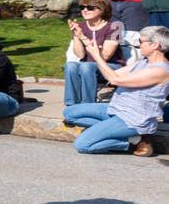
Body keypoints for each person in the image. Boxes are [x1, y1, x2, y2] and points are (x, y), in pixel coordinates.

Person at [62, 26, 169, 156]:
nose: (138, 45)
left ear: (155, 45)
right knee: (70, 113)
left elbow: (115, 80)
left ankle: (131, 143)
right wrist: (89, 45)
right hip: (115, 109)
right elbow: (114, 74)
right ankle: (128, 136)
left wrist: (97, 56)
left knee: (82, 144)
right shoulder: (143, 63)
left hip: (132, 119)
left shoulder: (160, 71)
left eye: (141, 42)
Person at [64, 0, 124, 106]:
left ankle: (88, 106)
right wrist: (76, 35)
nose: (85, 10)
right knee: (71, 65)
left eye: (90, 7)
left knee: (86, 66)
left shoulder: (114, 27)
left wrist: (83, 37)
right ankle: (71, 105)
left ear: (102, 9)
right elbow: (80, 54)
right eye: (82, 7)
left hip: (110, 67)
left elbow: (105, 56)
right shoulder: (80, 26)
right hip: (87, 67)